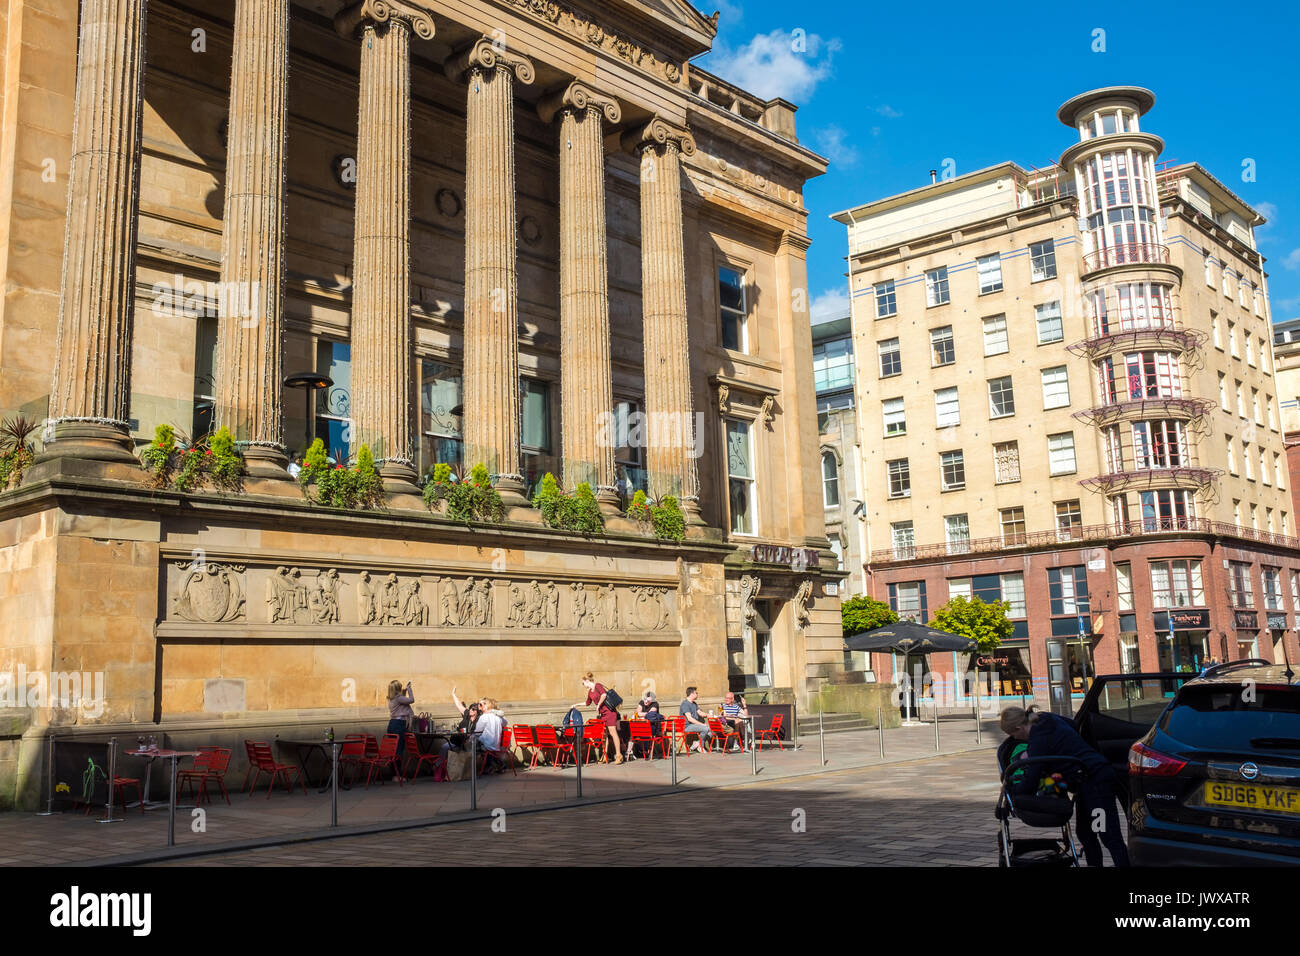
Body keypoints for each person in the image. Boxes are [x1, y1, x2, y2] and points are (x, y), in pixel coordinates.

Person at [1000, 706, 1130, 868]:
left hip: (1096, 781)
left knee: (1108, 834)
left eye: (1013, 735)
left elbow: (1032, 778)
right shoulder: (1046, 718)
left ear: (1019, 728)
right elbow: (1075, 725)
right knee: (1085, 833)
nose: (1015, 738)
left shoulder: (1038, 740)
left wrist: (1014, 792)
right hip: (1087, 780)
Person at [578, 672, 624, 764]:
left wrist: (598, 705)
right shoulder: (590, 692)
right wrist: (576, 705)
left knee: (612, 732)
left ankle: (619, 755)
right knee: (604, 734)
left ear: (587, 681)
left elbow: (604, 695)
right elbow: (587, 703)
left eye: (584, 683)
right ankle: (605, 755)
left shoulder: (597, 686)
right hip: (603, 715)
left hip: (610, 712)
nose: (584, 685)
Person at [386, 679, 415, 779]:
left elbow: (401, 697)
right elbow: (411, 700)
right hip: (399, 725)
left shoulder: (391, 698)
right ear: (397, 689)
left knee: (393, 751)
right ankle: (397, 775)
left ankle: (394, 774)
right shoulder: (398, 698)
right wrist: (410, 690)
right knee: (398, 751)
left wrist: (405, 691)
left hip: (392, 724)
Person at [476, 698, 508, 773]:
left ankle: (485, 767)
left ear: (486, 706)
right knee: (488, 750)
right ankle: (495, 765)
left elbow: (477, 732)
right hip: (496, 744)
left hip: (487, 744)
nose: (479, 706)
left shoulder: (483, 717)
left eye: (481, 704)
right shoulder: (498, 717)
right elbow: (505, 723)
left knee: (473, 743)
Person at [679, 686, 711, 752]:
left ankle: (697, 743)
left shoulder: (694, 703)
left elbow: (700, 712)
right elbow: (690, 718)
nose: (697, 694)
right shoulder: (685, 704)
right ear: (692, 694)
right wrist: (702, 724)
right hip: (687, 726)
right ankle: (700, 746)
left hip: (693, 725)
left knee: (711, 729)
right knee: (705, 728)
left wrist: (708, 715)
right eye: (696, 693)